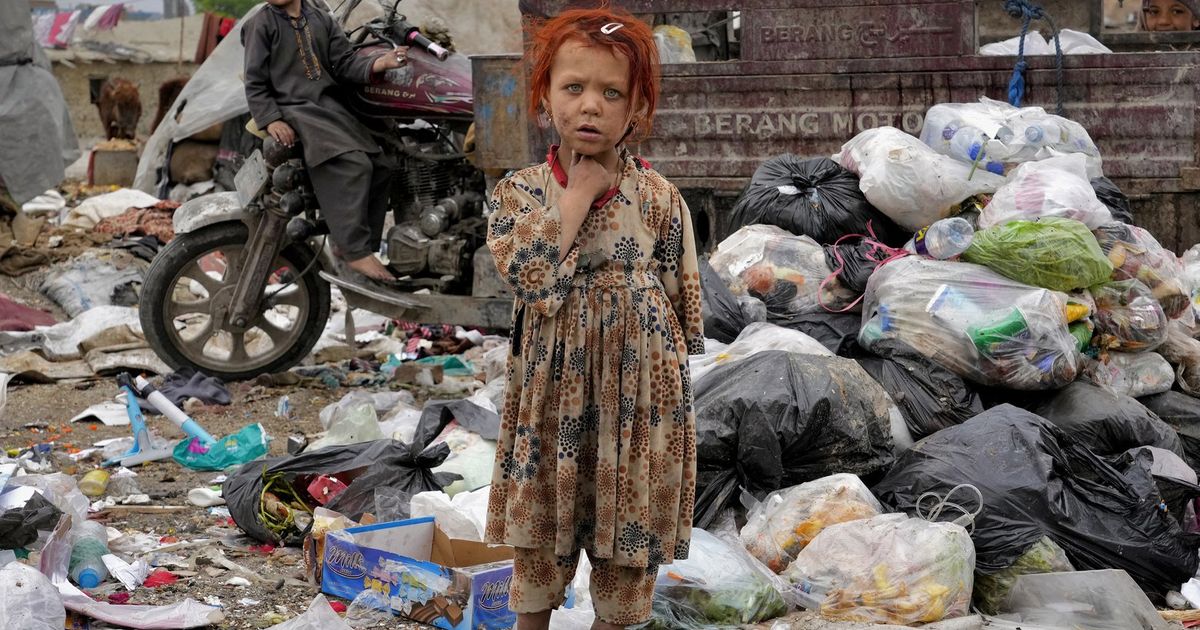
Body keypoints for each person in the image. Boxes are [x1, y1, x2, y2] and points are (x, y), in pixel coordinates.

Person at [483, 7, 704, 630]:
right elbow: (528, 272)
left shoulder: (660, 195)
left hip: (641, 396)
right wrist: (576, 196)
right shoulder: (521, 193)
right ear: (545, 96)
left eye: (612, 93)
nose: (591, 106)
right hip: (555, 391)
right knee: (545, 523)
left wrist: (670, 391)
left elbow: (680, 292)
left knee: (628, 524)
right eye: (573, 88)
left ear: (636, 108)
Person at [242, 0, 406, 282]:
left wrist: (381, 62)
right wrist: (272, 119)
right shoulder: (262, 23)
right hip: (293, 109)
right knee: (353, 163)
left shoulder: (320, 18)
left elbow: (344, 63)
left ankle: (366, 247)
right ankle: (353, 251)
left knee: (382, 162)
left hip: (327, 107)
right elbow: (254, 80)